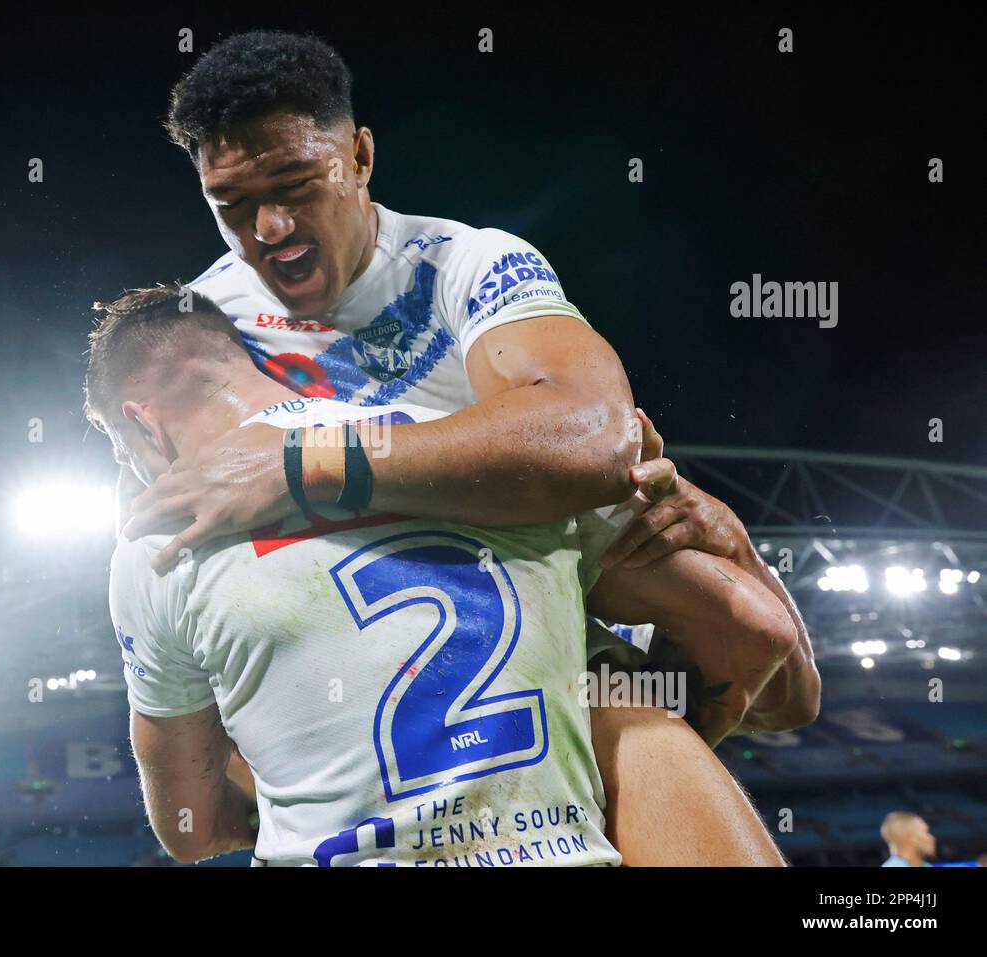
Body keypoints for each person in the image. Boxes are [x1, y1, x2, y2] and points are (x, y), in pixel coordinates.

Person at [120, 31, 820, 862]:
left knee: (768, 670)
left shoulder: (462, 264)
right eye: (230, 203)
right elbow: (171, 543)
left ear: (362, 155)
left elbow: (591, 435)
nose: (269, 228)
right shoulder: (204, 328)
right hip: (369, 657)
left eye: (297, 184)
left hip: (537, 587)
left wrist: (303, 466)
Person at [87, 287, 792, 866]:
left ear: (143, 426)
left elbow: (191, 826)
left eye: (122, 455)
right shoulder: (503, 453)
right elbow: (758, 631)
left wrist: (304, 792)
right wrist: (644, 733)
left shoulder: (159, 541)